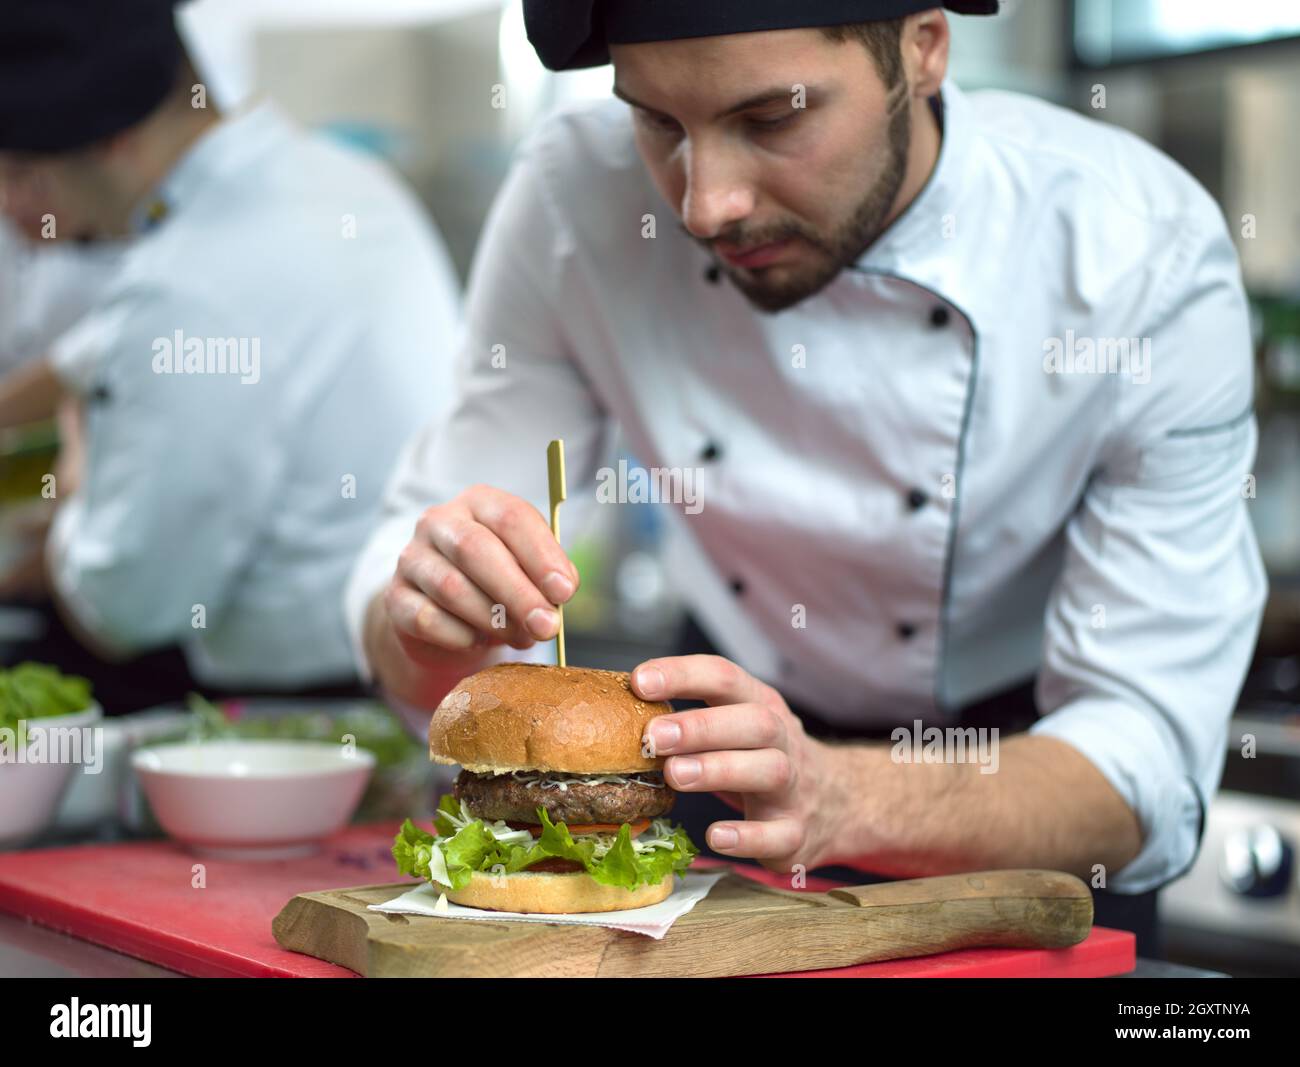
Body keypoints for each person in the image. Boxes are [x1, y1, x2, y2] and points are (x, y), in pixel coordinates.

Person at [345, 1, 1266, 956]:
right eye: (657, 122)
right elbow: (413, 589)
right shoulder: (571, 195)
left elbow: (1145, 757)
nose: (705, 206)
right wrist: (431, 611)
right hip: (715, 778)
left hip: (1027, 803)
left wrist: (843, 794)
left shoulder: (1139, 252)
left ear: (924, 48)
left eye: (772, 119)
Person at [0, 1, 463, 707]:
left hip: (294, 713)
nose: (18, 214)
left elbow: (124, 605)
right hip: (406, 682)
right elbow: (108, 348)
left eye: (24, 175)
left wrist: (74, 482)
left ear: (112, 137)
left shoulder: (188, 285)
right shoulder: (341, 180)